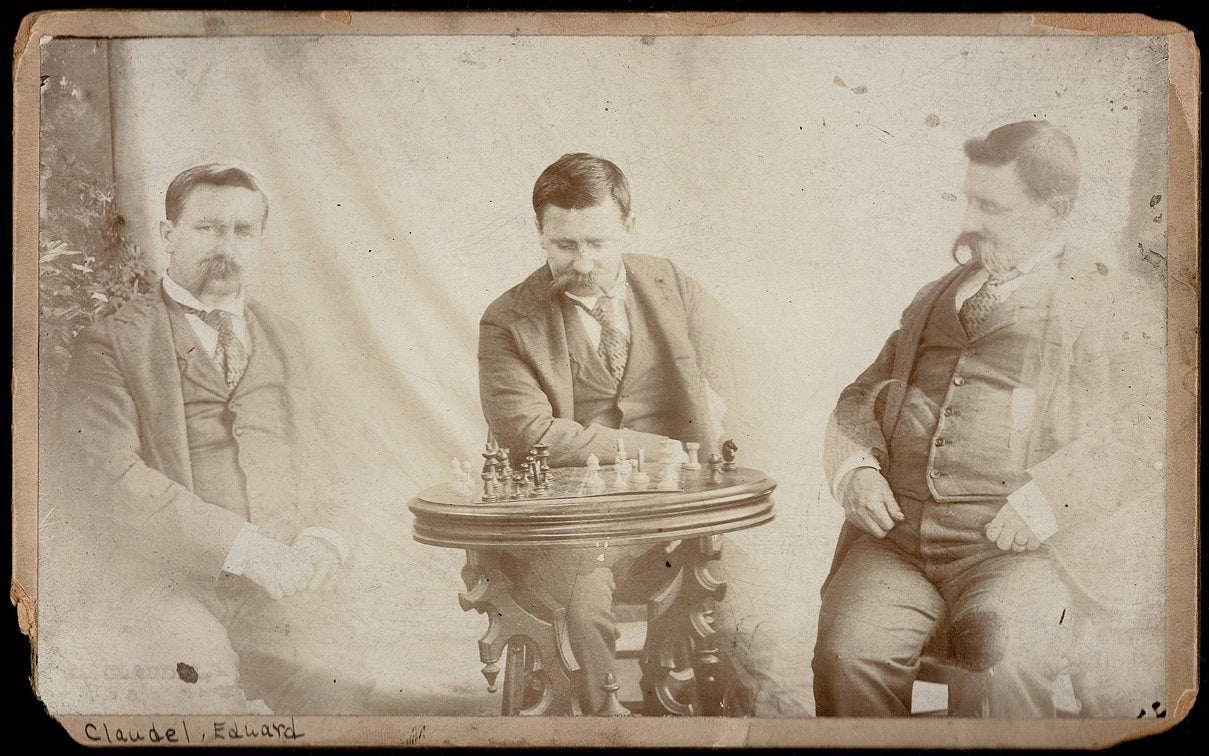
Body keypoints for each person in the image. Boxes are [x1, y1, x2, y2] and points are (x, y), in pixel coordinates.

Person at [812, 121, 1162, 717]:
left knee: (1009, 661)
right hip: (899, 544)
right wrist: (856, 470)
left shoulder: (1105, 300)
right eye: (969, 200)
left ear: (1056, 210)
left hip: (1024, 553)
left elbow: (1149, 423)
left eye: (991, 206)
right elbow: (862, 394)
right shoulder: (935, 296)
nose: (970, 220)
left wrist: (1050, 499)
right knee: (847, 656)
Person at [478, 153, 804, 716]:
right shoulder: (507, 320)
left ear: (629, 225)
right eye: (564, 245)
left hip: (680, 523)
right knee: (585, 621)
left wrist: (733, 448)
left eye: (598, 243)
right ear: (539, 233)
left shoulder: (667, 283)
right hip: (575, 531)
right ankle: (608, 732)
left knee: (753, 621)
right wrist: (657, 451)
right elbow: (530, 434)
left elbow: (747, 368)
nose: (583, 263)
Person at [57, 163, 379, 714]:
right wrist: (243, 549)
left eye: (243, 232)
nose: (226, 248)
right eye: (207, 229)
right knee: (202, 703)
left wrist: (324, 536)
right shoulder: (110, 343)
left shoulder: (286, 337)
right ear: (168, 235)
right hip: (167, 583)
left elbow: (334, 453)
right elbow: (109, 477)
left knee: (342, 694)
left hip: (282, 580)